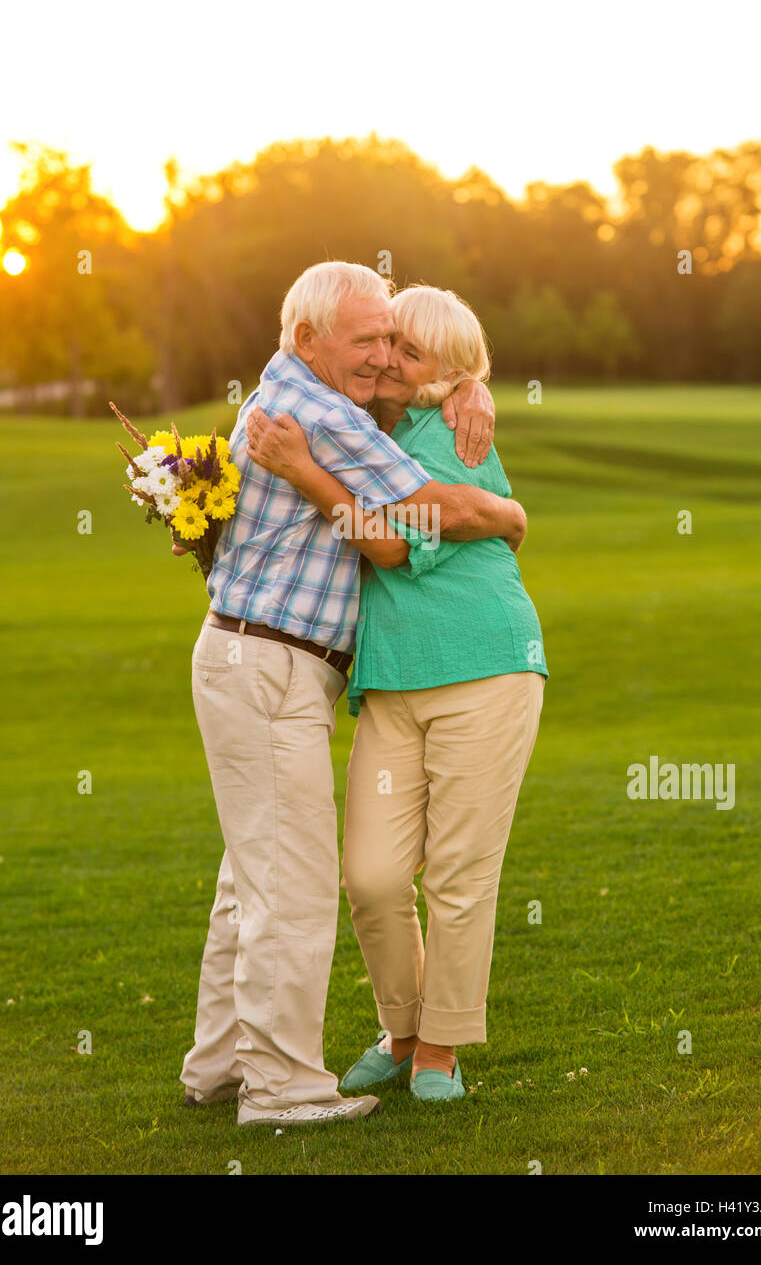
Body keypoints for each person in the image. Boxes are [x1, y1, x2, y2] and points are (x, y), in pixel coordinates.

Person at [178, 261, 525, 1127]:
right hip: (274, 669)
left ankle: (220, 1066)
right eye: (367, 339)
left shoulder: (293, 392)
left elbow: (423, 462)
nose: (379, 357)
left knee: (249, 880)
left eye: (394, 342)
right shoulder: (327, 417)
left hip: (269, 663)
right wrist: (506, 515)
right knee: (293, 885)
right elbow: (414, 521)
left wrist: (474, 392)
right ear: (308, 339)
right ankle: (282, 1088)